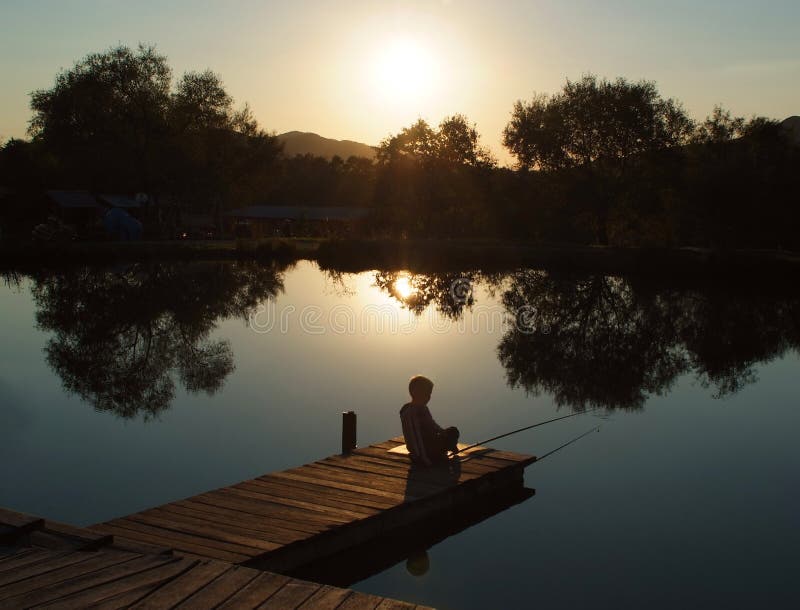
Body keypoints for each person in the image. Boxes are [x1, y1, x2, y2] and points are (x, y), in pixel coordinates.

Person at [400, 375, 459, 466]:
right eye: (426, 393)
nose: (428, 396)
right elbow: (415, 437)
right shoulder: (410, 412)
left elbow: (432, 424)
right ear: (415, 393)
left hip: (432, 442)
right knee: (440, 444)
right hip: (423, 449)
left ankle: (444, 450)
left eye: (429, 394)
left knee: (453, 431)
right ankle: (438, 454)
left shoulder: (423, 408)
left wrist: (443, 432)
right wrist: (423, 458)